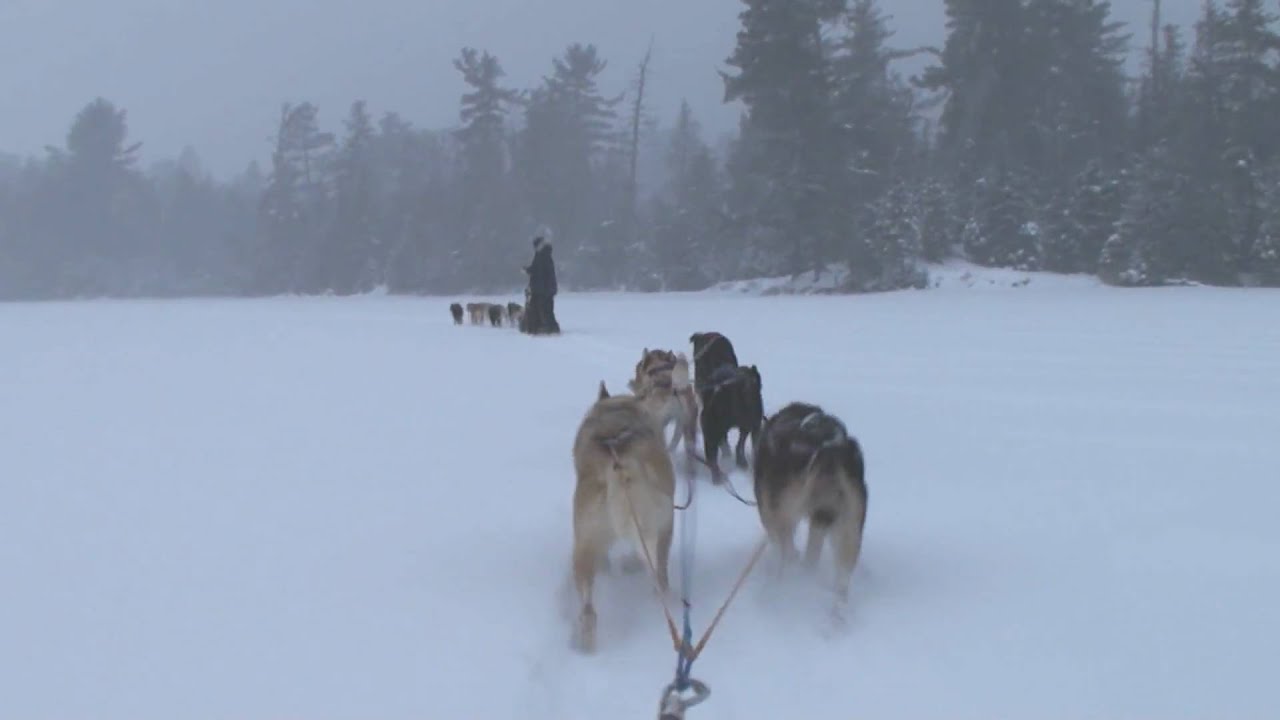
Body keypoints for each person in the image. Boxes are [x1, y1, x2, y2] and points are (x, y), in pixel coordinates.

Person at [523, 236, 560, 335]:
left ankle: (547, 327)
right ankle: (550, 327)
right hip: (546, 288)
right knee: (546, 308)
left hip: (543, 288)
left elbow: (539, 271)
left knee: (544, 308)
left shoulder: (542, 255)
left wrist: (529, 271)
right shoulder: (543, 255)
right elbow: (537, 269)